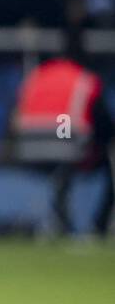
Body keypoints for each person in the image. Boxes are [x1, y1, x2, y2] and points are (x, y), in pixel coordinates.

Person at [13, 22, 113, 236]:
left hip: (26, 148)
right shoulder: (85, 80)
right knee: (105, 165)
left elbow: (16, 114)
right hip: (64, 146)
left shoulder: (39, 75)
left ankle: (61, 219)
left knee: (63, 167)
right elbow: (104, 126)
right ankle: (99, 227)